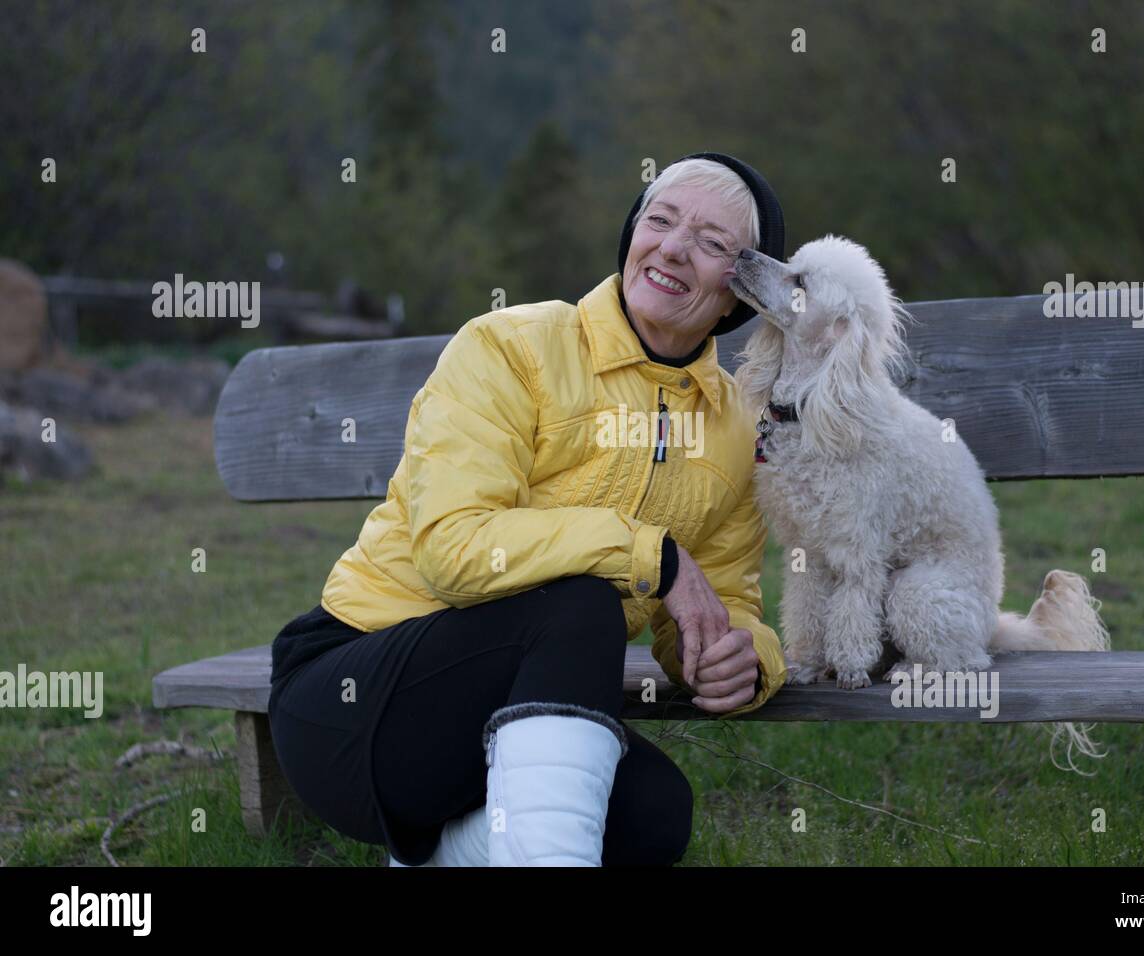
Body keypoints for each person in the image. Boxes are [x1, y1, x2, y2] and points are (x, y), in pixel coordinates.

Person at [267, 151, 790, 867]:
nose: (672, 247)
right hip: (354, 706)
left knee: (653, 817)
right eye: (660, 220)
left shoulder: (733, 430)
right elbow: (452, 548)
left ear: (739, 291)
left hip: (503, 710)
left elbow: (718, 600)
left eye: (711, 243)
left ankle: (434, 859)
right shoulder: (511, 346)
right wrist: (650, 555)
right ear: (633, 234)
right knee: (580, 601)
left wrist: (744, 659)